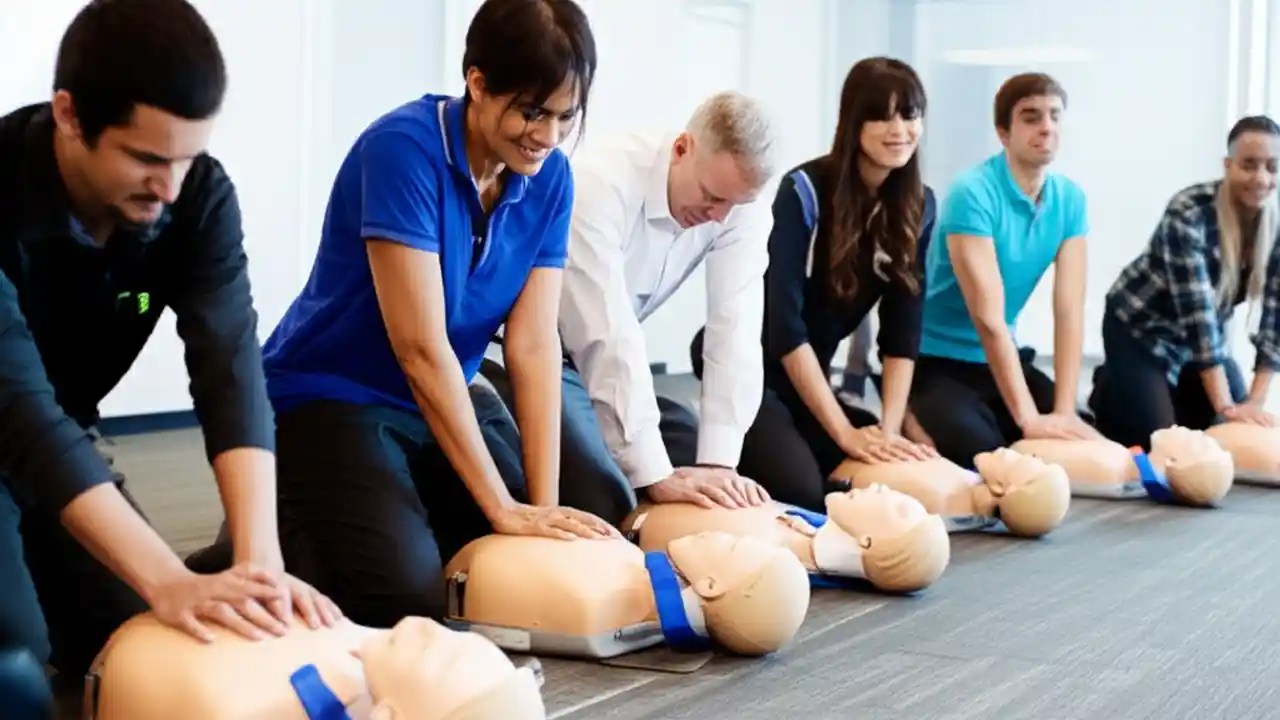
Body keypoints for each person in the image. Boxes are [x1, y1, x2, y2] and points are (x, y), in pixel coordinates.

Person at [0, 0, 340, 680]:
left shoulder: (198, 196)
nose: (170, 185)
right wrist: (165, 575)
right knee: (16, 667)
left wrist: (259, 565)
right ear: (68, 115)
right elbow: (19, 409)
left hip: (63, 433)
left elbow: (231, 372)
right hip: (15, 422)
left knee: (147, 638)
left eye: (189, 157)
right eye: (147, 159)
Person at [261, 0, 616, 629]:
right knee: (403, 598)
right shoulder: (403, 148)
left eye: (566, 116)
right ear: (477, 82)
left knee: (557, 527)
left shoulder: (551, 177)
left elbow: (532, 347)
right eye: (532, 112)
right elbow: (419, 348)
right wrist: (505, 511)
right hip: (332, 395)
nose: (549, 136)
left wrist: (540, 511)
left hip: (436, 404)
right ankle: (264, 537)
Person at [482, 90, 776, 529]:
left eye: (733, 205)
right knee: (608, 491)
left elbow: (735, 330)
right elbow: (607, 332)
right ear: (682, 149)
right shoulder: (601, 181)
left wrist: (718, 463)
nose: (719, 217)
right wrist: (653, 475)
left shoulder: (736, 207)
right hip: (525, 357)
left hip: (590, 369)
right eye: (712, 196)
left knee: (702, 455)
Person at [730, 57, 937, 512]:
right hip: (750, 370)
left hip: (809, 380)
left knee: (881, 455)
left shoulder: (918, 205)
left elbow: (903, 332)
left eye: (910, 113)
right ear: (853, 122)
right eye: (882, 115)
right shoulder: (802, 190)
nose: (899, 129)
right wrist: (842, 430)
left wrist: (889, 429)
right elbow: (784, 329)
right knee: (803, 491)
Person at [907, 72, 1100, 469]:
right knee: (986, 451)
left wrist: (1064, 411)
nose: (1046, 127)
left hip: (1001, 360)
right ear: (1003, 132)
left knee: (1086, 436)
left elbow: (1068, 310)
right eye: (1031, 117)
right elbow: (989, 318)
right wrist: (1028, 419)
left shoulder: (1070, 200)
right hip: (936, 361)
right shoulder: (972, 192)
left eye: (1054, 116)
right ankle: (911, 414)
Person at [1089, 115, 1280, 448]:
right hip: (1140, 329)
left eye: (1272, 167)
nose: (1261, 178)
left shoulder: (1275, 224)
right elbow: (1199, 317)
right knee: (1166, 443)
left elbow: (1276, 322)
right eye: (1249, 165)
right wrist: (1225, 407)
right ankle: (1110, 388)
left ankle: (1150, 390)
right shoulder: (1188, 211)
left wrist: (1253, 404)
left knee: (1232, 433)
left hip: (1194, 345)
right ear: (1228, 164)